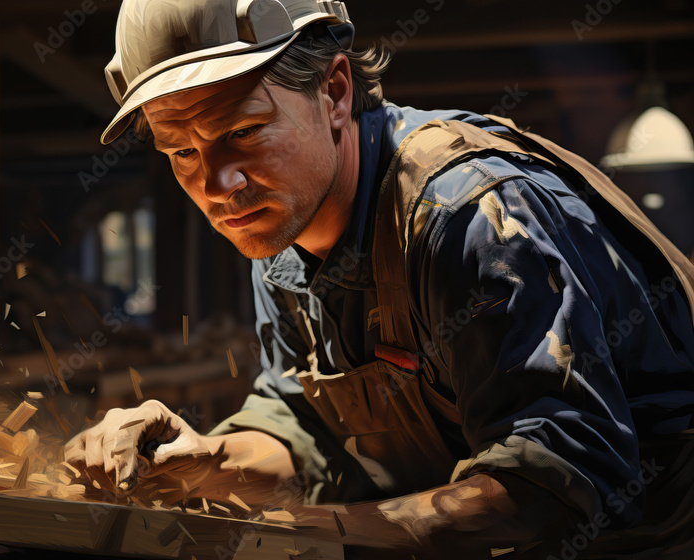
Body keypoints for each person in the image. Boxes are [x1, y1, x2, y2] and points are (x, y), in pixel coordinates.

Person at [63, 1, 694, 557]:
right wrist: (207, 462)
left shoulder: (467, 214)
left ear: (334, 92)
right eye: (182, 152)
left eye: (245, 131)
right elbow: (307, 432)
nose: (217, 184)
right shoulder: (280, 234)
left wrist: (314, 532)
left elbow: (558, 479)